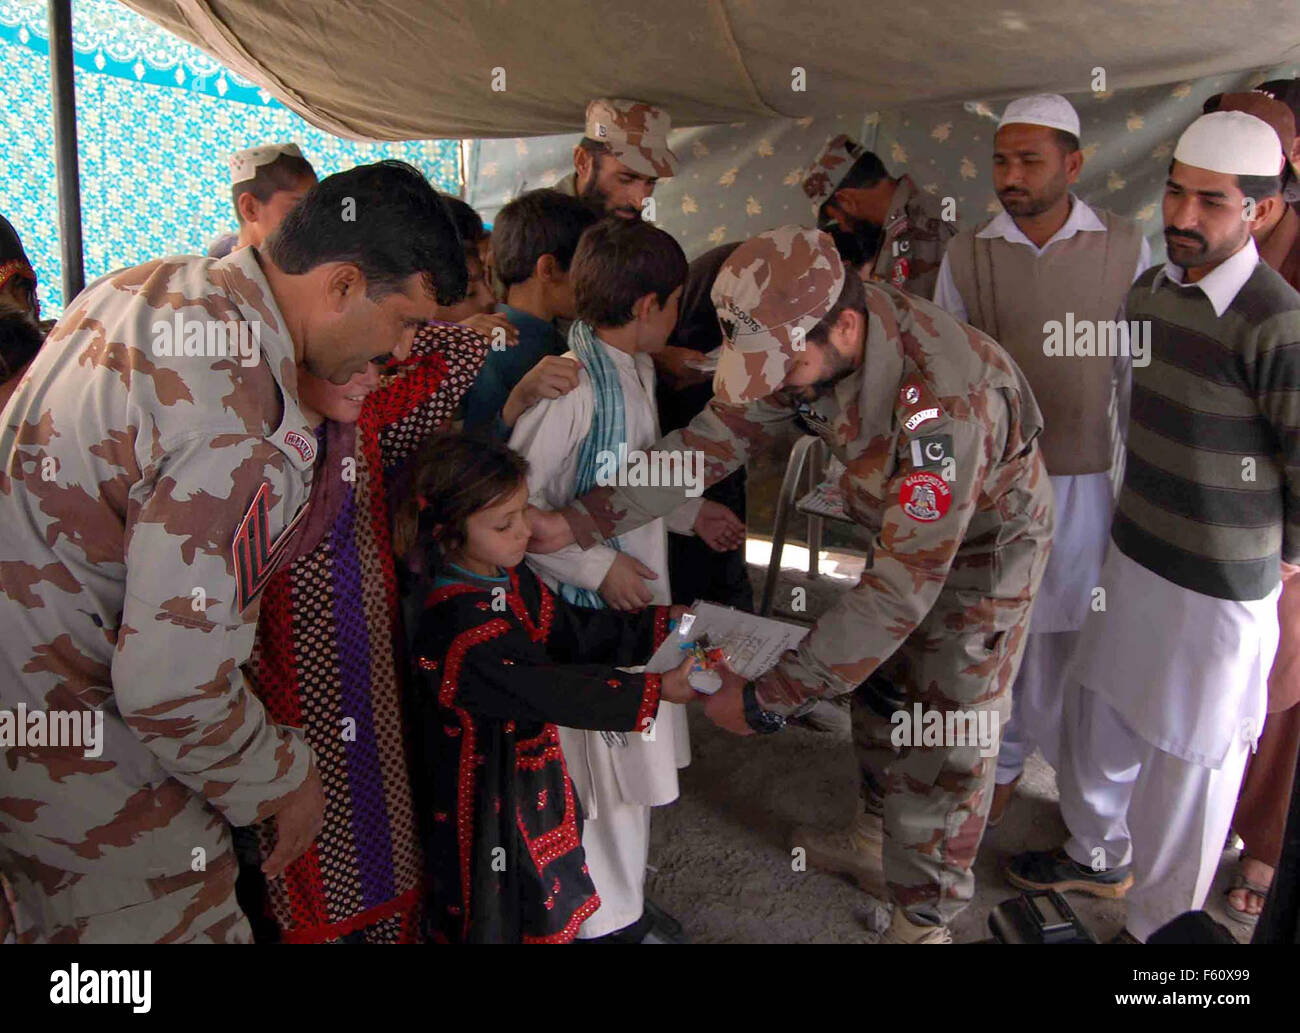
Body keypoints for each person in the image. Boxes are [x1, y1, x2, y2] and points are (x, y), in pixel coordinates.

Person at [528, 226, 1054, 943]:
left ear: (844, 327)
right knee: (880, 680)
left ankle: (924, 922)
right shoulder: (796, 332)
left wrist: (771, 696)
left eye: (784, 364)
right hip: (901, 528)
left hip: (985, 551)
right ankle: (874, 838)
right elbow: (709, 445)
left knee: (947, 723)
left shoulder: (946, 402)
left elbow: (904, 588)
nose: (771, 378)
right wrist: (582, 520)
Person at [0, 160, 468, 943]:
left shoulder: (148, 286)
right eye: (407, 321)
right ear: (344, 285)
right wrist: (282, 777)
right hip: (96, 797)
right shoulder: (243, 426)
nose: (400, 351)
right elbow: (170, 689)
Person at [1004, 112, 1300, 943]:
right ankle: (1098, 853)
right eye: (1175, 192)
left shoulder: (1277, 323)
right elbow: (1131, 417)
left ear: (1261, 213)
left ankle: (1159, 939)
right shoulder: (1147, 294)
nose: (1183, 217)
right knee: (1099, 715)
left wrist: (1282, 563)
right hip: (1133, 557)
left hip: (1219, 590)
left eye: (1211, 202)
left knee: (1191, 765)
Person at [509, 219, 745, 942]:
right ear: (649, 307)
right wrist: (596, 565)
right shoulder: (571, 389)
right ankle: (605, 923)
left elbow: (637, 479)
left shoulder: (634, 369)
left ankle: (624, 906)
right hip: (584, 625)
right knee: (599, 790)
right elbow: (514, 515)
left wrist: (695, 512)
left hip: (633, 610)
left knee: (631, 785)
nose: (677, 321)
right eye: (675, 305)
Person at [931, 94, 1150, 828]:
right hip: (996, 485)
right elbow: (947, 372)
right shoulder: (969, 251)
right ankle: (999, 767)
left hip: (1086, 484)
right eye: (1002, 159)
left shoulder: (1126, 247)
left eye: (1029, 160)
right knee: (993, 635)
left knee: (1073, 646)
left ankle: (1091, 815)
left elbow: (1133, 374)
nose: (1011, 174)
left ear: (1074, 164)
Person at [394, 432, 700, 943]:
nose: (523, 534)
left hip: (530, 782)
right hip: (488, 799)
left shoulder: (506, 580)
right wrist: (654, 691)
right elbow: (552, 688)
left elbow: (572, 632)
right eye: (503, 523)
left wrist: (657, 626)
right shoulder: (456, 625)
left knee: (544, 896)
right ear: (447, 532)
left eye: (523, 514)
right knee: (500, 910)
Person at [242, 319, 490, 943]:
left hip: (373, 672)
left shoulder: (366, 416)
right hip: (278, 689)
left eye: (378, 356)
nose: (373, 370)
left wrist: (397, 330)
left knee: (390, 834)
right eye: (351, 356)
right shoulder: (241, 432)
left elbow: (461, 349)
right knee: (303, 844)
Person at [1200, 91, 1300, 926]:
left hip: (1284, 527)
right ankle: (1196, 830)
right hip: (1212, 514)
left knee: (1280, 691)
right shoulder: (1192, 260)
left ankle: (1262, 845)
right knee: (1214, 694)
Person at [653, 241, 755, 611]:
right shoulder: (589, 383)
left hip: (705, 466)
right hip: (675, 462)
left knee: (722, 579)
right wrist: (687, 511)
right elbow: (600, 475)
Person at [461, 189, 595, 434]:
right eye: (588, 267)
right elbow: (473, 453)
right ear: (549, 269)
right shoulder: (504, 345)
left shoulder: (542, 336)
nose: (596, 280)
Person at [801, 134, 958, 298]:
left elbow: (926, 316)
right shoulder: (893, 228)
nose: (842, 227)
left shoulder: (925, 226)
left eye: (837, 217)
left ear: (846, 201)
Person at [555, 98, 677, 220]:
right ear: (583, 162)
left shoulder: (627, 225)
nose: (640, 203)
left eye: (651, 182)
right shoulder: (539, 228)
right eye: (626, 179)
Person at [207, 142, 317, 258]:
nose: (312, 219)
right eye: (298, 208)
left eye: (315, 206)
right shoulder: (213, 271)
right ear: (250, 208)